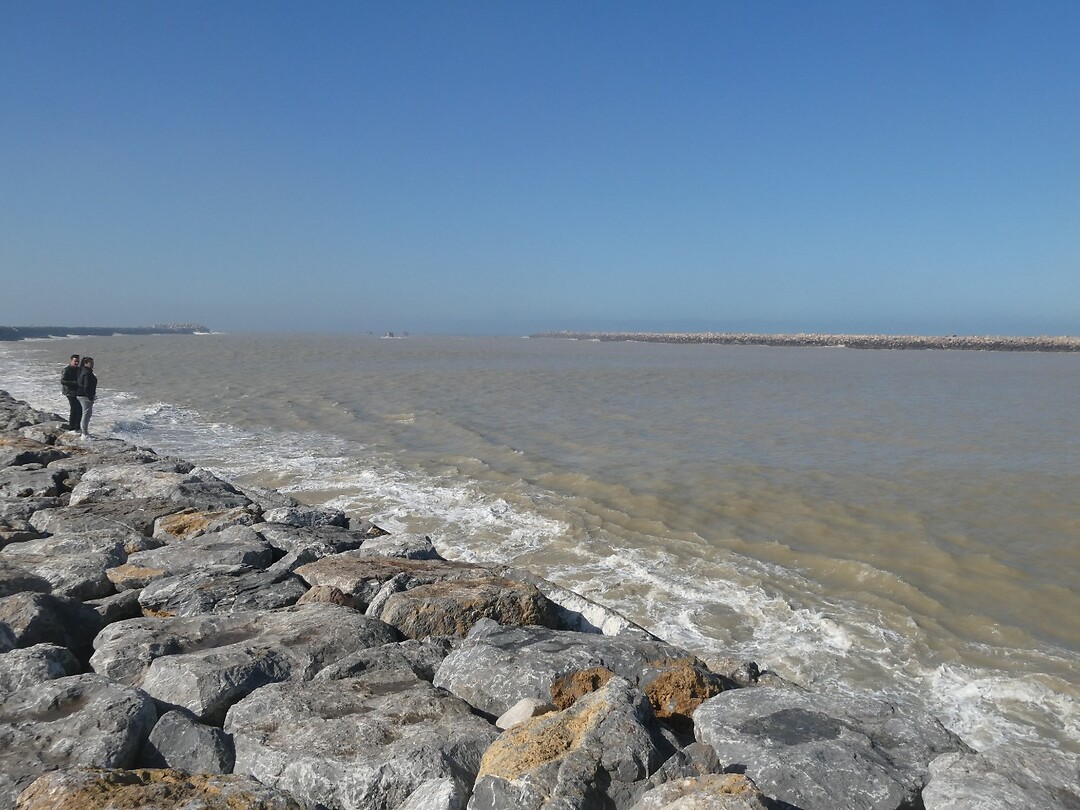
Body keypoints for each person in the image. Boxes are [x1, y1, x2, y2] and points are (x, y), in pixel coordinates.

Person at [76, 356, 98, 437]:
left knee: (84, 413)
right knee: (86, 414)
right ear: (85, 363)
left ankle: (83, 431)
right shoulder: (87, 373)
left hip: (80, 394)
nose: (92, 365)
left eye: (93, 363)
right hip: (85, 396)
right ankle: (84, 433)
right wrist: (90, 396)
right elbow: (86, 386)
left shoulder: (82, 370)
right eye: (91, 363)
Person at [61, 354, 82, 431]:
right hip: (69, 391)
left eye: (78, 361)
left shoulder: (79, 369)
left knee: (79, 409)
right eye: (75, 361)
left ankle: (77, 426)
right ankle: (72, 427)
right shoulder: (66, 369)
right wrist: (74, 382)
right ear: (71, 361)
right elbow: (62, 381)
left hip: (77, 391)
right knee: (74, 408)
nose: (76, 363)